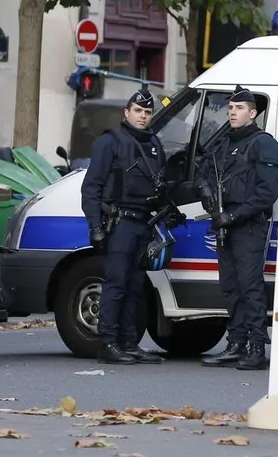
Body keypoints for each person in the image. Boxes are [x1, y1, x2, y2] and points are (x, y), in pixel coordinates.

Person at [81, 87, 169, 365]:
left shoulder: (154, 143)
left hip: (143, 223)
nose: (143, 116)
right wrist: (95, 226)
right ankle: (108, 343)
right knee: (116, 284)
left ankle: (129, 343)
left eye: (147, 112)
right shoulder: (109, 142)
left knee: (135, 286)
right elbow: (91, 188)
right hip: (118, 223)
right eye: (138, 111)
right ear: (127, 112)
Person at [197, 85, 278, 370]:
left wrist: (233, 218)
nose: (233, 112)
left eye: (239, 108)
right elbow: (204, 173)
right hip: (224, 223)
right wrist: (206, 191)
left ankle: (256, 346)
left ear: (253, 113)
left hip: (247, 225)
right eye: (231, 108)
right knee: (231, 286)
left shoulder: (262, 143)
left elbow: (267, 192)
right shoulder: (223, 143)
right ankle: (236, 343)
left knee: (249, 286)